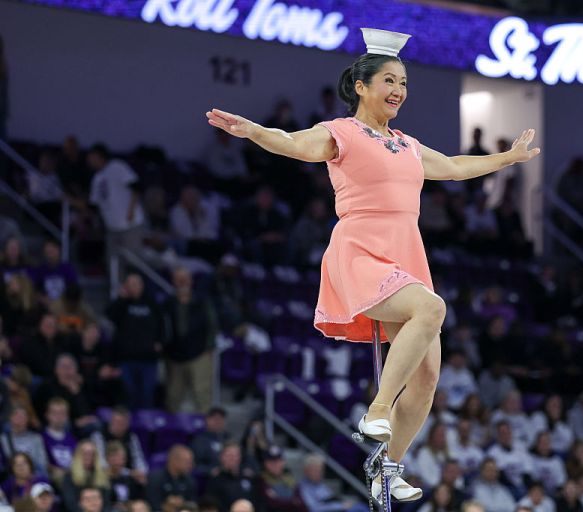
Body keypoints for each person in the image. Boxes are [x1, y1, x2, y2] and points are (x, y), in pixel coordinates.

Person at [205, 27, 539, 502]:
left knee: (426, 379)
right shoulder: (341, 133)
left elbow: (454, 167)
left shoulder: (407, 144)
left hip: (406, 256)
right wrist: (254, 131)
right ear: (361, 87)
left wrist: (508, 158)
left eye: (403, 82)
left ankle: (386, 466)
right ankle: (377, 409)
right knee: (432, 308)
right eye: (389, 81)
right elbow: (294, 143)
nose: (398, 90)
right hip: (361, 251)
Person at [163, 267, 218, 413]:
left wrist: (209, 348)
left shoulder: (202, 301)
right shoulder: (168, 303)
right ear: (173, 281)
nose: (182, 282)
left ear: (191, 281)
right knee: (172, 397)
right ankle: (172, 427)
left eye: (185, 278)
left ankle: (204, 426)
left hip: (199, 354)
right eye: (178, 279)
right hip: (174, 356)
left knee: (202, 395)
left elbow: (212, 325)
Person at [105, 273, 163, 410]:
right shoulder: (122, 303)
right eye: (130, 284)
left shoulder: (151, 303)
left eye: (136, 284)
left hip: (148, 359)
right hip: (126, 359)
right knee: (128, 393)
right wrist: (121, 299)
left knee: (147, 393)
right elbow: (109, 316)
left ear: (142, 286)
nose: (133, 287)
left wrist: (160, 342)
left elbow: (161, 324)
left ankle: (145, 421)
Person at [87, 143, 144, 273]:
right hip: (112, 227)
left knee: (133, 261)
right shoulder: (96, 178)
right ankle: (117, 287)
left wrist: (131, 210)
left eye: (91, 157)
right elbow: (93, 205)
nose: (89, 160)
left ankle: (162, 260)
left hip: (130, 224)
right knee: (113, 263)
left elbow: (136, 186)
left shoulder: (116, 166)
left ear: (98, 156)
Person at [298, 453, 367, 512]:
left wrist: (342, 503)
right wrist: (341, 506)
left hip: (335, 508)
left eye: (320, 470)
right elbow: (314, 508)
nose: (319, 473)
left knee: (360, 506)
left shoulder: (320, 484)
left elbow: (330, 497)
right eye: (315, 470)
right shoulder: (303, 487)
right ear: (306, 471)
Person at [91, 407, 148, 479]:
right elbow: (101, 463)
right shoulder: (99, 435)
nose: (119, 426)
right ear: (111, 421)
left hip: (129, 478)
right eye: (117, 422)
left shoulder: (131, 437)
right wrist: (129, 473)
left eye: (123, 423)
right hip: (106, 475)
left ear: (128, 424)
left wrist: (141, 472)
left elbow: (139, 459)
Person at [205, 442, 257, 511]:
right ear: (221, 457)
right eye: (229, 455)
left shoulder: (248, 477)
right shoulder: (215, 481)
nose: (232, 458)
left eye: (236, 455)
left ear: (240, 457)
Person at [145, 445, 197, 511]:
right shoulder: (155, 479)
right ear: (174, 460)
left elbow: (193, 504)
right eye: (187, 462)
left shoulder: (189, 480)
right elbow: (152, 504)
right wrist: (167, 505)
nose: (191, 465)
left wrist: (182, 504)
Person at [190, 407, 230, 475]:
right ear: (207, 420)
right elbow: (194, 464)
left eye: (221, 419)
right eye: (216, 419)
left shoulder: (228, 438)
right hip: (208, 478)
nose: (218, 422)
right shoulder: (199, 440)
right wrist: (209, 470)